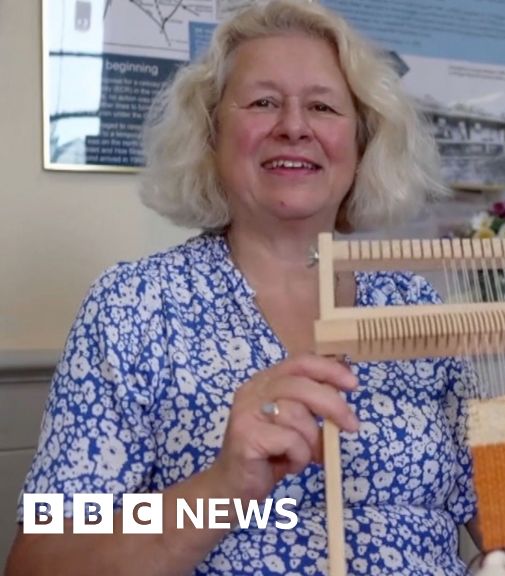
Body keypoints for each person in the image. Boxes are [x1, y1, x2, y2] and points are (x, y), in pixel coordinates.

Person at [5, 1, 477, 574]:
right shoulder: (136, 306)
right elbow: (42, 557)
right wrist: (225, 486)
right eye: (263, 102)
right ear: (211, 133)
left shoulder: (415, 309)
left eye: (323, 106)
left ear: (362, 142)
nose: (294, 126)